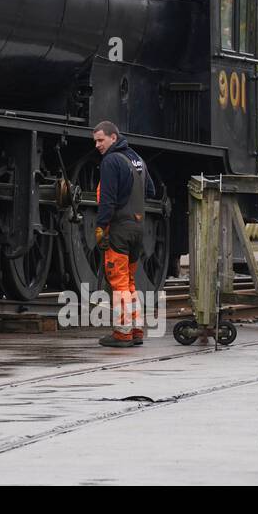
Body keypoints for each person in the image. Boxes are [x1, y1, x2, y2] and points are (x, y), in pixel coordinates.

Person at [93, 120, 155, 348]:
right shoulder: (137, 158)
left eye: (101, 140)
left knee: (118, 281)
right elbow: (150, 190)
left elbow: (107, 200)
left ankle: (122, 333)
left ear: (113, 138)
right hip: (138, 228)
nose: (97, 145)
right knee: (129, 282)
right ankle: (136, 330)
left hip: (119, 229)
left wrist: (101, 227)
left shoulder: (111, 161)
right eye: (96, 141)